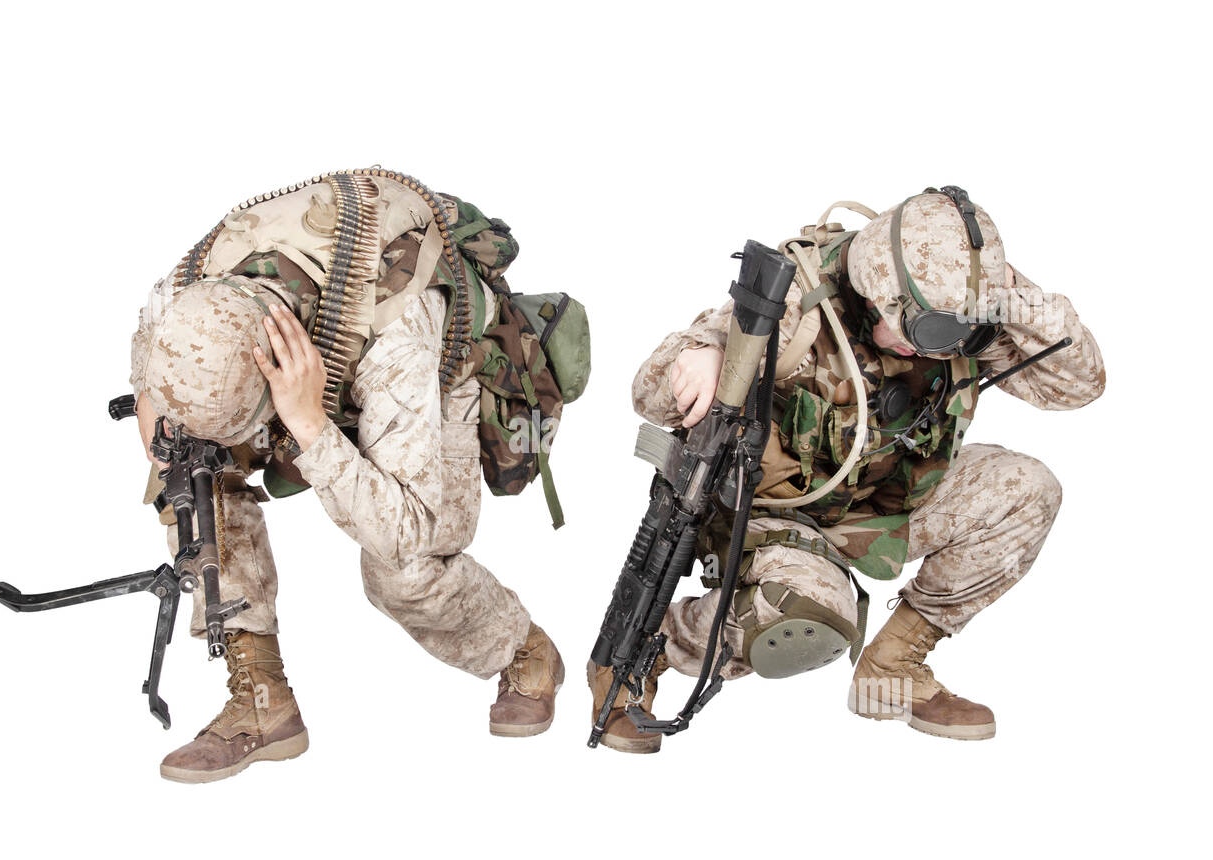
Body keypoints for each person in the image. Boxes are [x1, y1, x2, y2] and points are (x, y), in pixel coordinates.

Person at [592, 187, 1105, 752]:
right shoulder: (798, 312)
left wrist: (1010, 302)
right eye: (930, 332)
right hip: (779, 516)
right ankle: (656, 647)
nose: (942, 349)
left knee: (1027, 491)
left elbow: (1078, 386)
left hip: (887, 500)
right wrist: (710, 353)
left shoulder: (957, 317)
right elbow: (648, 392)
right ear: (879, 295)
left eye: (963, 333)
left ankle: (893, 668)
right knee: (808, 624)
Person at [131, 169, 564, 783]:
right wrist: (150, 400)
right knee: (188, 467)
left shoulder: (398, 333)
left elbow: (409, 529)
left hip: (442, 372)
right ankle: (262, 703)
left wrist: (309, 427)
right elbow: (151, 325)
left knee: (402, 572)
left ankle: (524, 650)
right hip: (320, 354)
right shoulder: (191, 294)